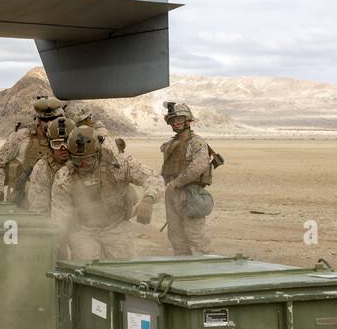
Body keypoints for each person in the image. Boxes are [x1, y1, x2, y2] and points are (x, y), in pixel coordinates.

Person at [52, 125, 164, 260]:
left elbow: (153, 177)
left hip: (116, 227)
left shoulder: (119, 164)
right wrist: (60, 233)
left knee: (123, 270)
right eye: (77, 159)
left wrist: (148, 199)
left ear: (98, 152)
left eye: (88, 159)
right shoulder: (64, 176)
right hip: (84, 231)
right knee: (85, 269)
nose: (83, 164)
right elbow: (60, 212)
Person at [160, 101, 216, 255]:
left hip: (190, 193)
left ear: (187, 120)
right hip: (172, 192)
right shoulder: (171, 143)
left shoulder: (196, 142)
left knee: (195, 236)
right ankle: (182, 269)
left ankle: (204, 272)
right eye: (172, 120)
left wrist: (178, 182)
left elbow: (199, 166)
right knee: (176, 237)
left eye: (179, 119)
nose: (175, 123)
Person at [0, 96, 65, 203]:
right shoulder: (21, 137)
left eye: (54, 119)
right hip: (24, 199)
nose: (49, 123)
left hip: (58, 199)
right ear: (38, 120)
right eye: (45, 120)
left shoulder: (66, 137)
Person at [26, 117, 71, 214]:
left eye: (67, 142)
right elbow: (39, 208)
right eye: (57, 143)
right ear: (50, 145)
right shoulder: (42, 167)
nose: (63, 148)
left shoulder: (83, 162)